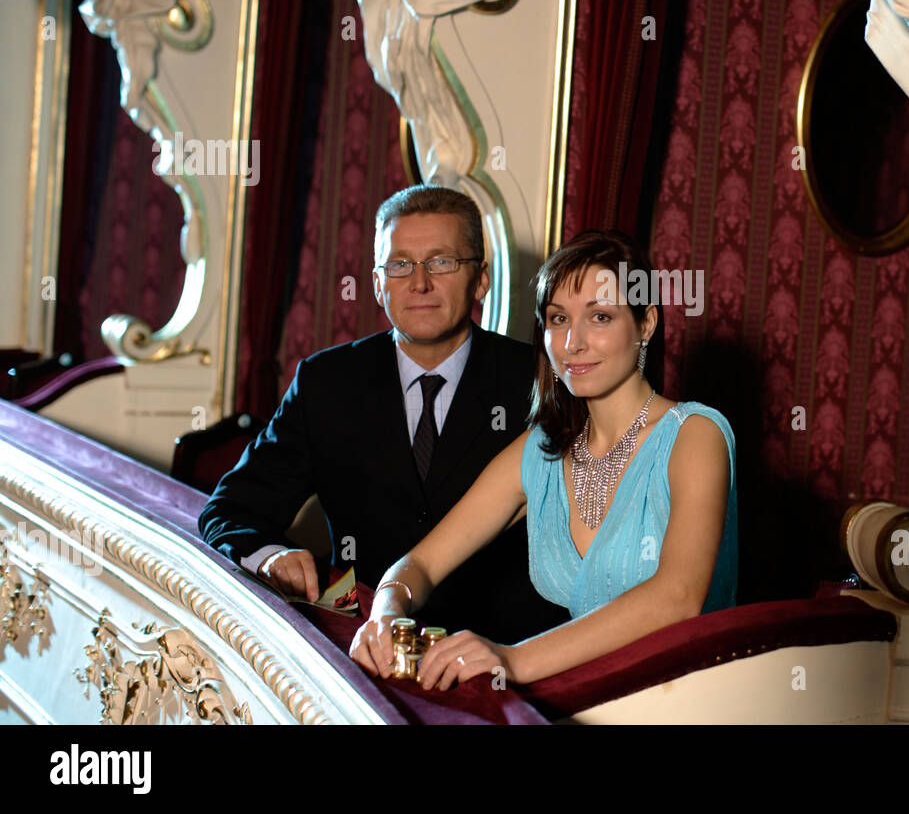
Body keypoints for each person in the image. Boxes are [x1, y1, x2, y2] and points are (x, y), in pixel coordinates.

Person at [349, 230, 738, 689]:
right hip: (589, 698)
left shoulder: (696, 434)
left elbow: (678, 597)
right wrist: (386, 611)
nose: (573, 342)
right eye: (558, 318)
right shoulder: (542, 450)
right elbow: (422, 565)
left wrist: (512, 659)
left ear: (646, 324)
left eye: (599, 317)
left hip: (691, 701)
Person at [198, 186, 568, 643]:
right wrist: (271, 557)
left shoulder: (543, 379)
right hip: (364, 649)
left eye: (442, 262)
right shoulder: (326, 383)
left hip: (503, 657)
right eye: (400, 265)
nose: (420, 282)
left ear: (481, 279)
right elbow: (230, 509)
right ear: (377, 284)